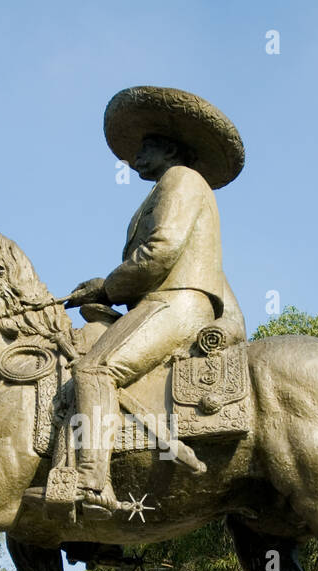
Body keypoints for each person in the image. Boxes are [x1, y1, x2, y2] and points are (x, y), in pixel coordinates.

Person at [63, 86, 245, 516]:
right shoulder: (173, 185)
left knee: (94, 367)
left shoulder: (180, 180)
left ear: (170, 148)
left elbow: (159, 252)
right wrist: (105, 295)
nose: (134, 158)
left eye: (145, 148)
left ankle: (90, 482)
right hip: (166, 302)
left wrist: (109, 286)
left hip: (177, 304)